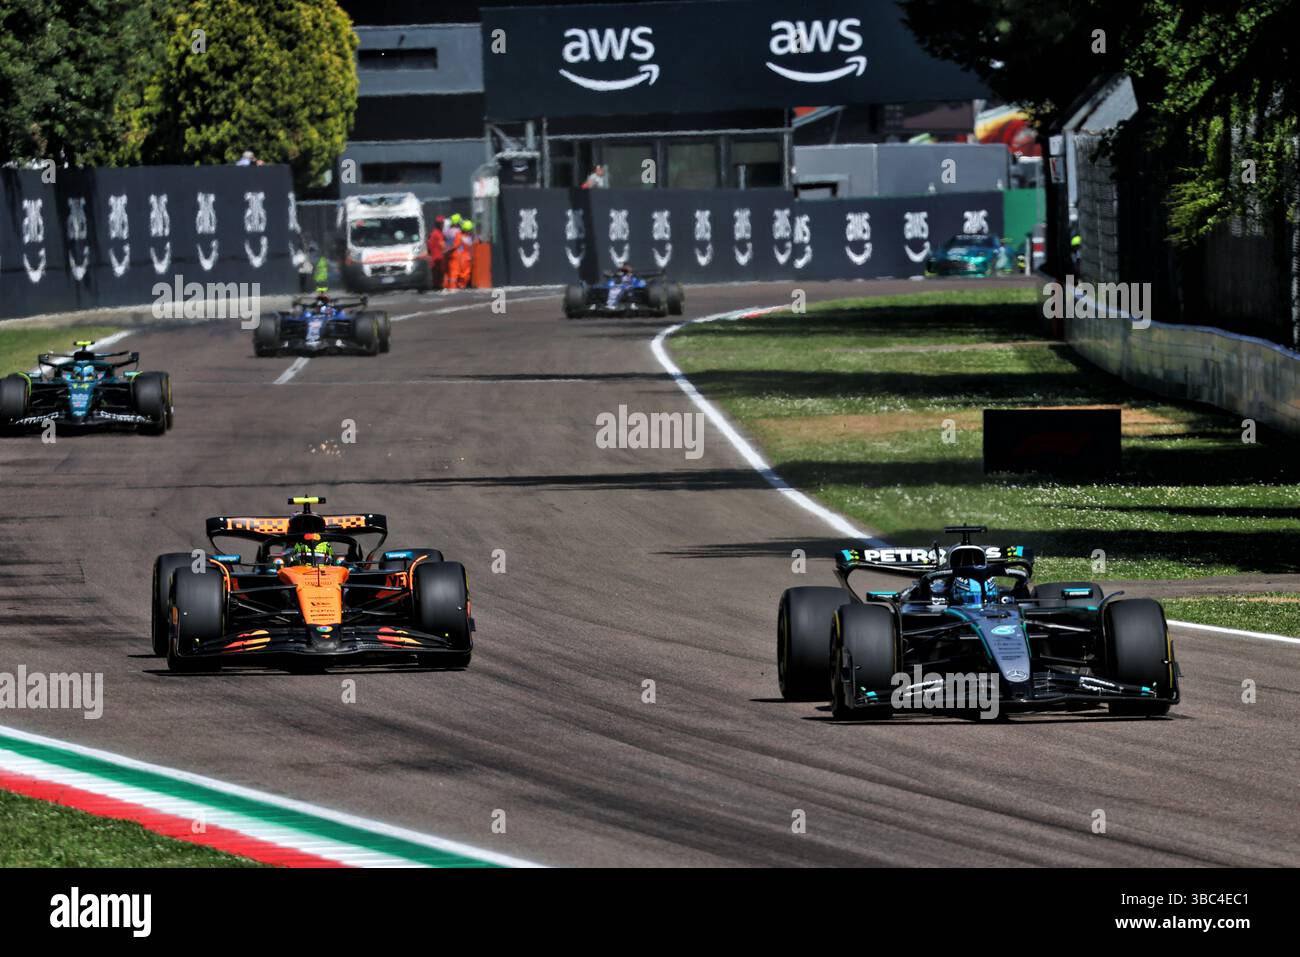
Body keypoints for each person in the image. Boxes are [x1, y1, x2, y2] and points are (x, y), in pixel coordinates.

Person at [427, 217, 447, 290]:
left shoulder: (432, 233)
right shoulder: (438, 234)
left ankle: (436, 287)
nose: (443, 225)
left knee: (435, 276)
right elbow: (443, 246)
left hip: (434, 258)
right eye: (442, 224)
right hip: (438, 258)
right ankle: (438, 287)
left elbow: (429, 246)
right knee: (439, 276)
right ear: (440, 224)